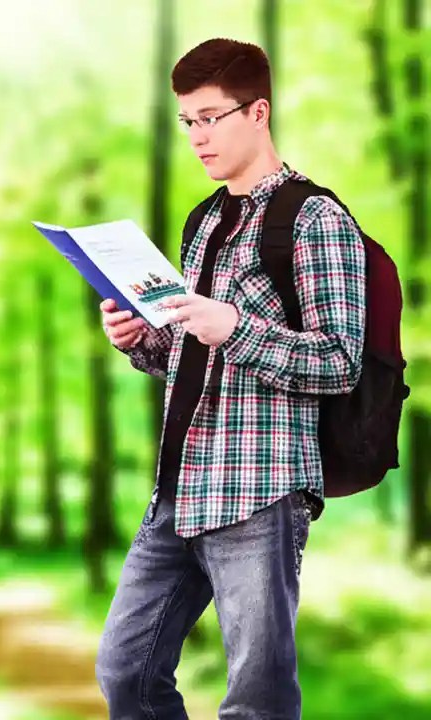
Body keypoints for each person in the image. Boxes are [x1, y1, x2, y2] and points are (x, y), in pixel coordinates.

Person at [95, 38, 367, 719]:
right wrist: (142, 341)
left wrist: (235, 327)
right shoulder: (205, 221)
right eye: (187, 121)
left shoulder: (317, 221)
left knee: (257, 699)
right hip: (179, 490)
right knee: (126, 674)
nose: (197, 137)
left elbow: (341, 360)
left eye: (212, 117)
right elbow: (192, 355)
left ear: (259, 112)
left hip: (260, 491)